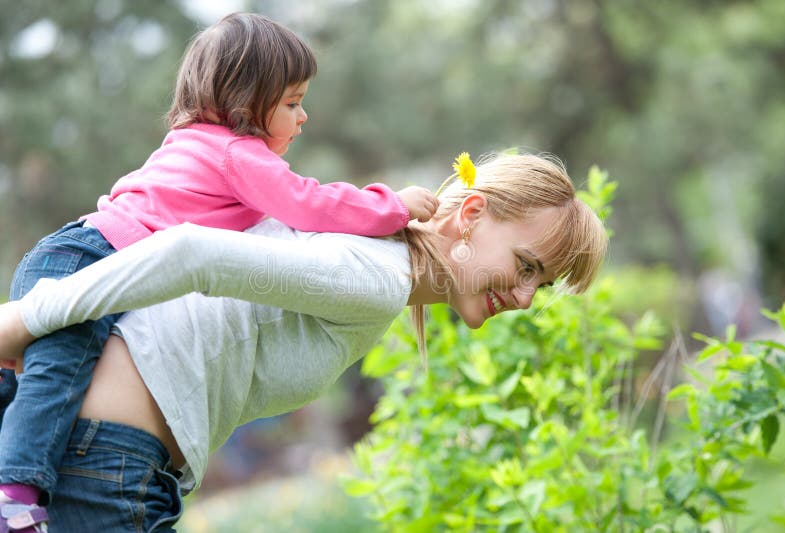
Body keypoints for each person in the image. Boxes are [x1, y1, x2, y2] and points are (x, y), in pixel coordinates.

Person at [0, 153, 607, 531]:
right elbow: (190, 252)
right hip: (108, 463)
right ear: (471, 214)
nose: (525, 297)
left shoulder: (375, 259)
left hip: (108, 459)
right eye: (526, 266)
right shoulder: (377, 277)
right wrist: (23, 321)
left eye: (542, 286)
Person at [0, 12, 439, 530]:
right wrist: (392, 206)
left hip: (77, 251)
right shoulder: (236, 152)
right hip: (90, 256)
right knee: (57, 374)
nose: (304, 118)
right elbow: (308, 203)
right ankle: (16, 497)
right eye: (292, 103)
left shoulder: (195, 141)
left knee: (28, 378)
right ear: (246, 102)